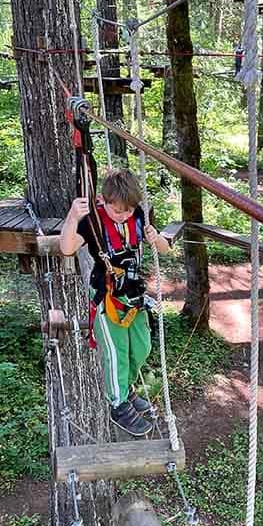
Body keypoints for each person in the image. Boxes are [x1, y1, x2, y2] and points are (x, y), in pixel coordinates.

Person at [59, 168, 171, 437]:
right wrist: (73, 216)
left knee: (141, 349)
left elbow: (165, 247)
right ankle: (118, 404)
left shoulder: (138, 216)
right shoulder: (93, 222)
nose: (124, 215)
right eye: (118, 210)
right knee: (115, 353)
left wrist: (156, 238)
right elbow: (67, 247)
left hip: (133, 297)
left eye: (129, 210)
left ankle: (127, 389)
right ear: (102, 200)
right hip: (107, 299)